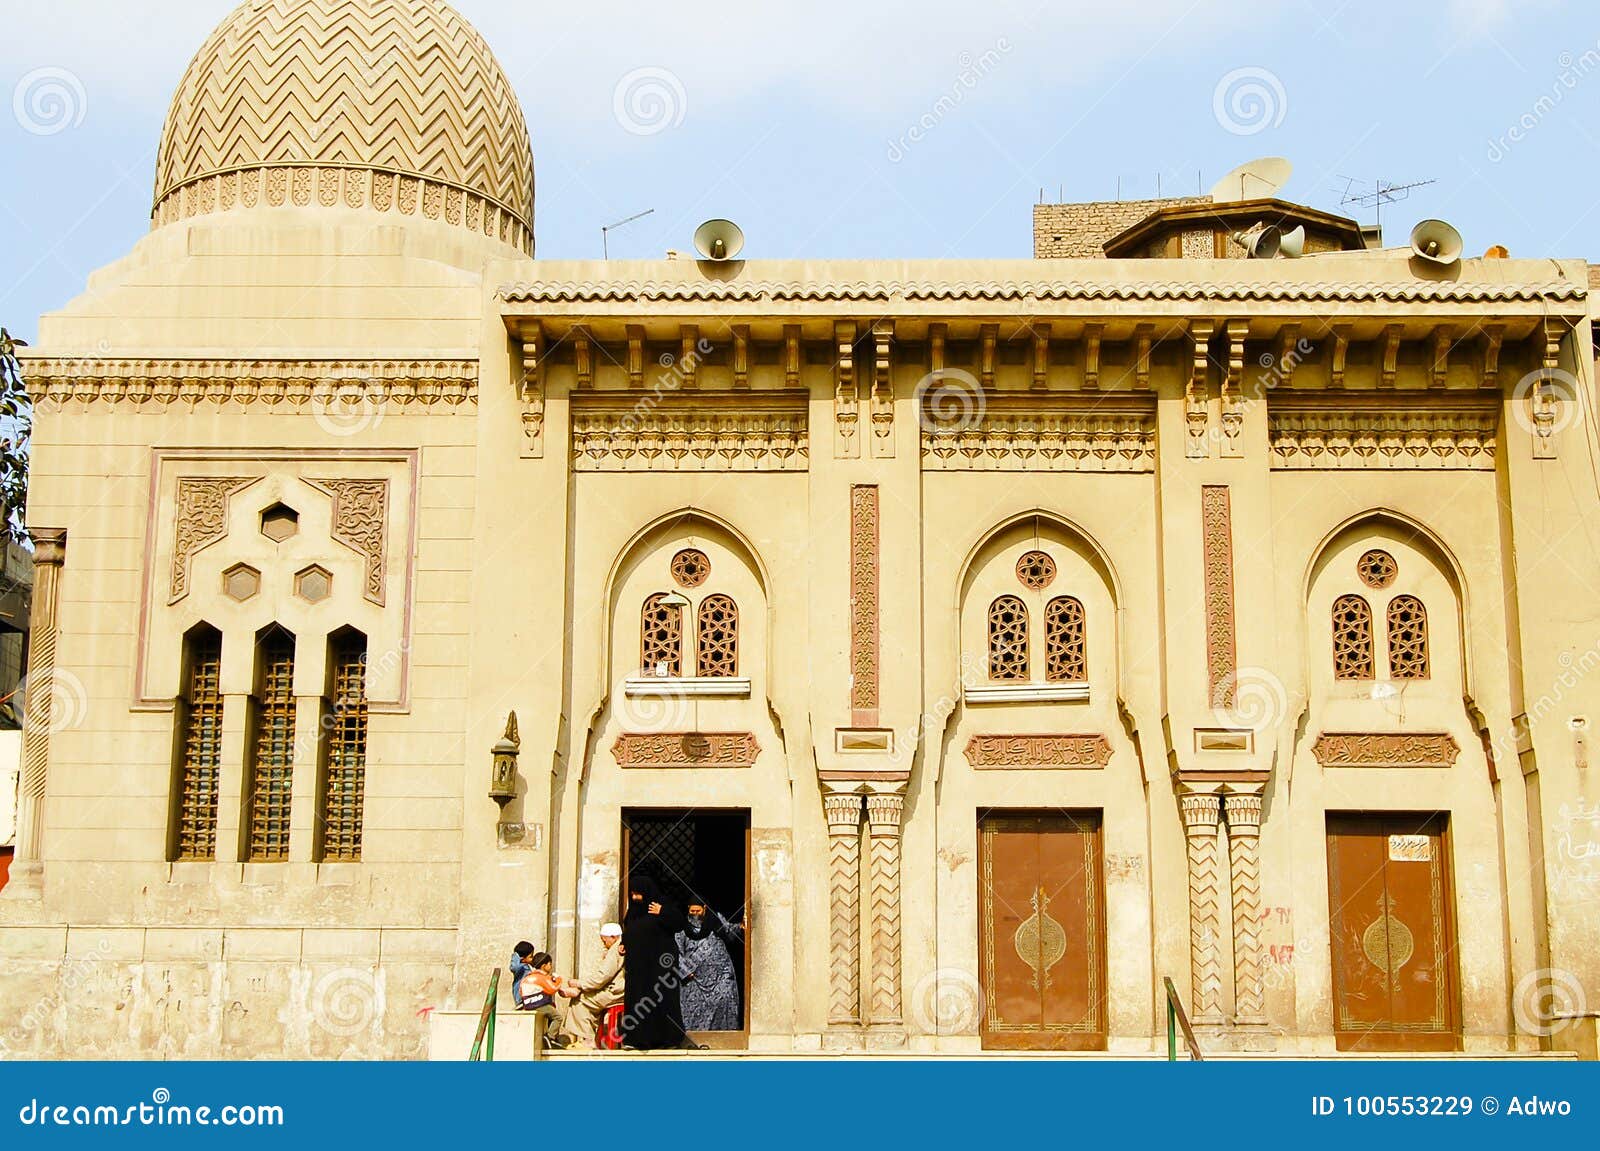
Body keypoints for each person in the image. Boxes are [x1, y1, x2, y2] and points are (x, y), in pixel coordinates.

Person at [619, 874, 691, 1049]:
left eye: (638, 894)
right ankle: (636, 1040)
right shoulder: (634, 913)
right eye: (633, 894)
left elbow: (680, 923)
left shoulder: (660, 905)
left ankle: (668, 1040)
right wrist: (624, 943)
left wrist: (663, 912)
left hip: (660, 967)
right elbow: (630, 930)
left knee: (662, 1000)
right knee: (638, 1001)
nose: (635, 898)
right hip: (638, 968)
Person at [677, 902, 745, 1032]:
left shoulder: (715, 920)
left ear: (704, 908)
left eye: (698, 911)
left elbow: (729, 930)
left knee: (725, 999)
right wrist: (685, 971)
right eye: (692, 911)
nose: (695, 914)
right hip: (695, 979)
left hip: (720, 975)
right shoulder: (682, 927)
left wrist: (741, 926)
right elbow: (676, 951)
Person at [561, 921, 626, 1046]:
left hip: (615, 992)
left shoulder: (617, 948)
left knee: (579, 1001)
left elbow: (601, 978)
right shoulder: (620, 946)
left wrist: (579, 984)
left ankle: (587, 1040)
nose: (604, 944)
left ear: (613, 937)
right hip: (615, 988)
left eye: (604, 941)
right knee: (584, 992)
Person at [510, 943, 579, 1047]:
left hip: (527, 1001)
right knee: (558, 1017)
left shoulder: (529, 974)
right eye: (550, 964)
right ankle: (550, 1037)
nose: (551, 966)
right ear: (544, 966)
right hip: (535, 1003)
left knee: (549, 1014)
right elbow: (552, 988)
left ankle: (550, 1038)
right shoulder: (532, 973)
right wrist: (558, 979)